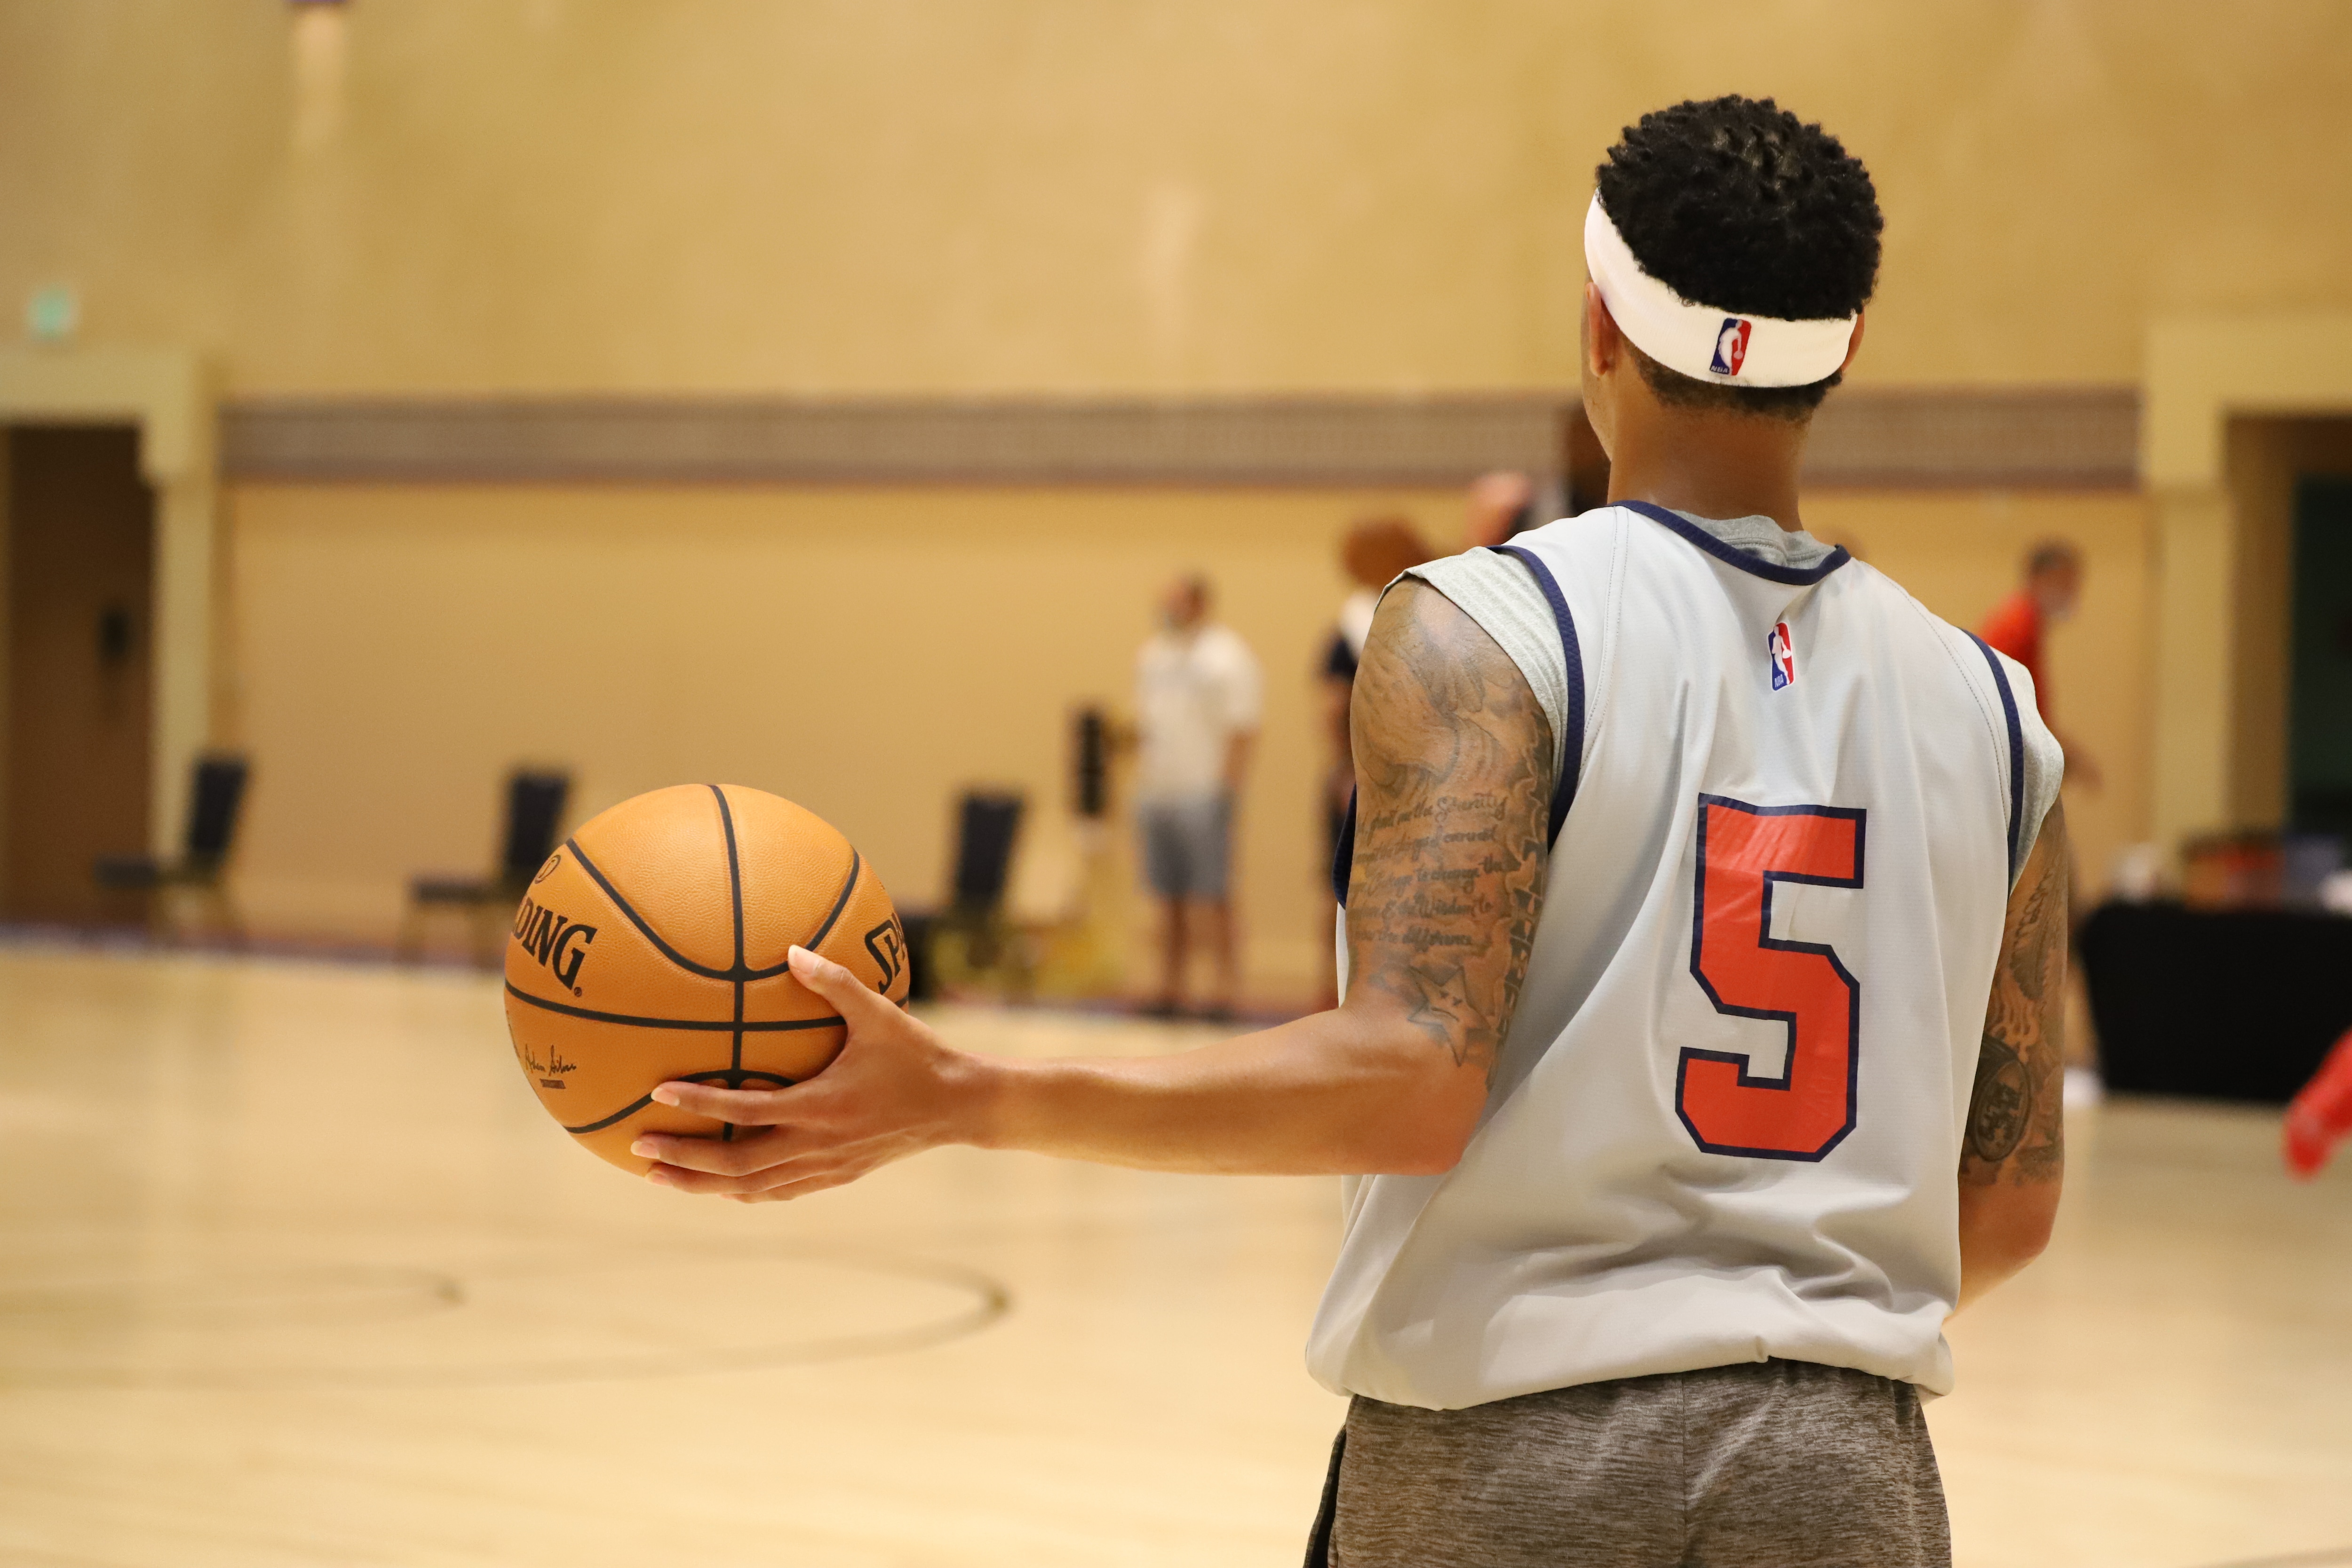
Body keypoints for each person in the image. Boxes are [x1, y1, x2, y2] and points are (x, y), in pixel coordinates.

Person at [629, 96, 2067, 1568]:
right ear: (1849, 347)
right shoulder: (1991, 708)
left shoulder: (1492, 629)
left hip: (1524, 1452)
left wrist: (973, 1091)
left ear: (1595, 324)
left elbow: (1405, 1079)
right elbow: (2007, 1206)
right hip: (1845, 1475)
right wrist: (1771, 1331)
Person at [1128, 573, 1261, 1019]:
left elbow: (1242, 728)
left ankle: (1224, 989)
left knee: (1212, 895)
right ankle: (1169, 987)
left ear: (1201, 603)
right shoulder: (1154, 655)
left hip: (1204, 791)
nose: (1168, 609)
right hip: (1157, 790)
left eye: (1177, 601)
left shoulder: (1226, 657)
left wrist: (1226, 789)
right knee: (1165, 896)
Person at [1321, 518, 1437, 921]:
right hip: (1365, 766)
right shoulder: (1354, 621)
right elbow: (1335, 706)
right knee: (1345, 887)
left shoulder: (1424, 607)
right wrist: (1347, 767)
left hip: (1416, 766)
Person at [1979, 541, 2103, 791]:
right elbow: (2002, 708)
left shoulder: (2028, 624)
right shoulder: (2017, 627)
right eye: (2066, 583)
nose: (2073, 594)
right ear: (2039, 579)